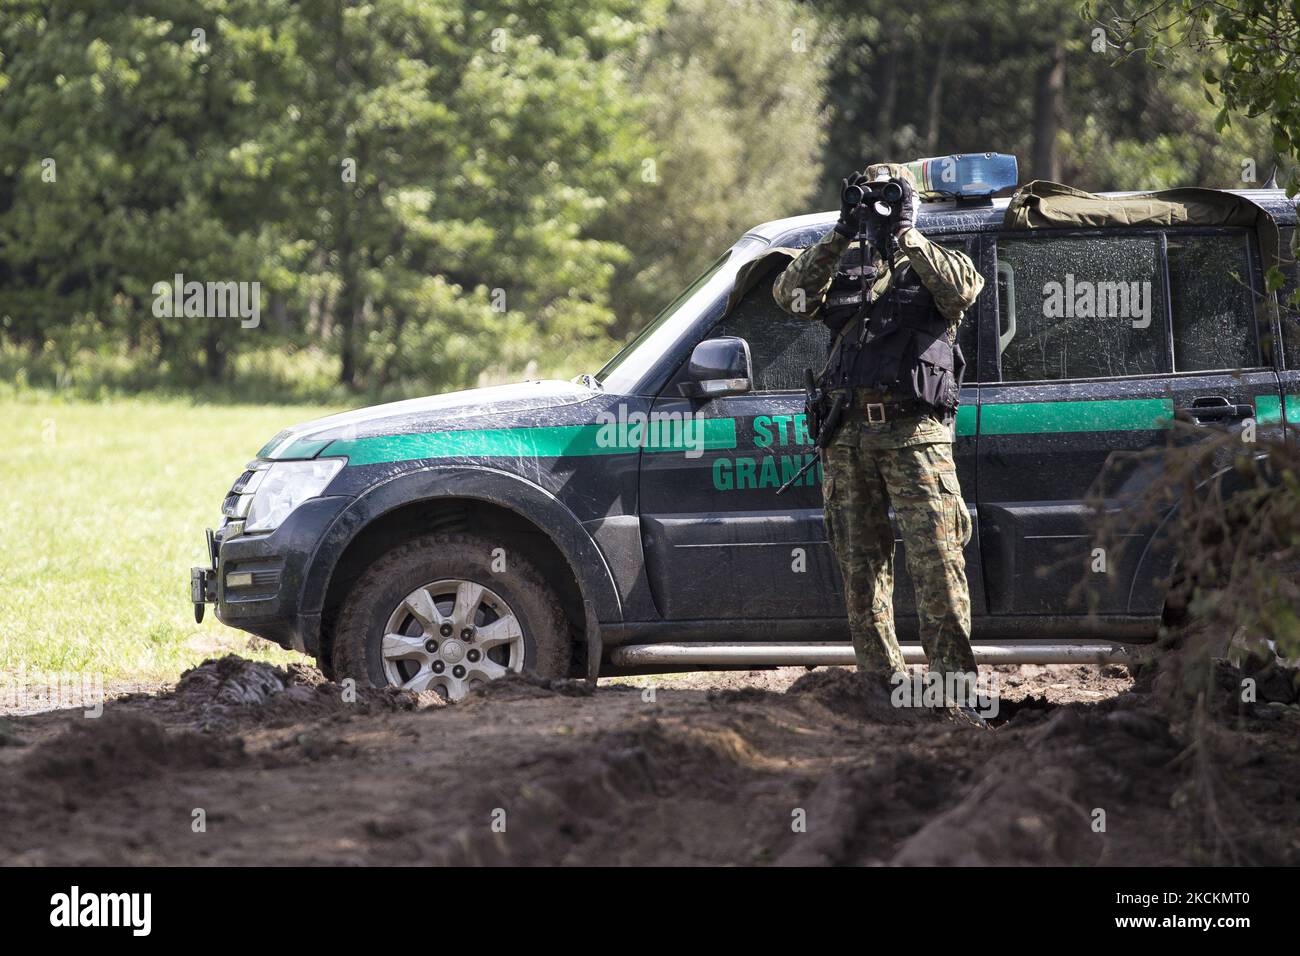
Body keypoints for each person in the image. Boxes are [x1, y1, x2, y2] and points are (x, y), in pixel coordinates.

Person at [772, 162, 986, 723]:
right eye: (871, 197)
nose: (879, 207)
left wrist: (907, 230)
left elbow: (963, 290)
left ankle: (956, 702)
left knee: (938, 567)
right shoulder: (842, 264)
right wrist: (841, 231)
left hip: (916, 437)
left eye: (888, 196)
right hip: (848, 439)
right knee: (861, 571)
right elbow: (791, 297)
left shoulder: (931, 261)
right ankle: (882, 698)